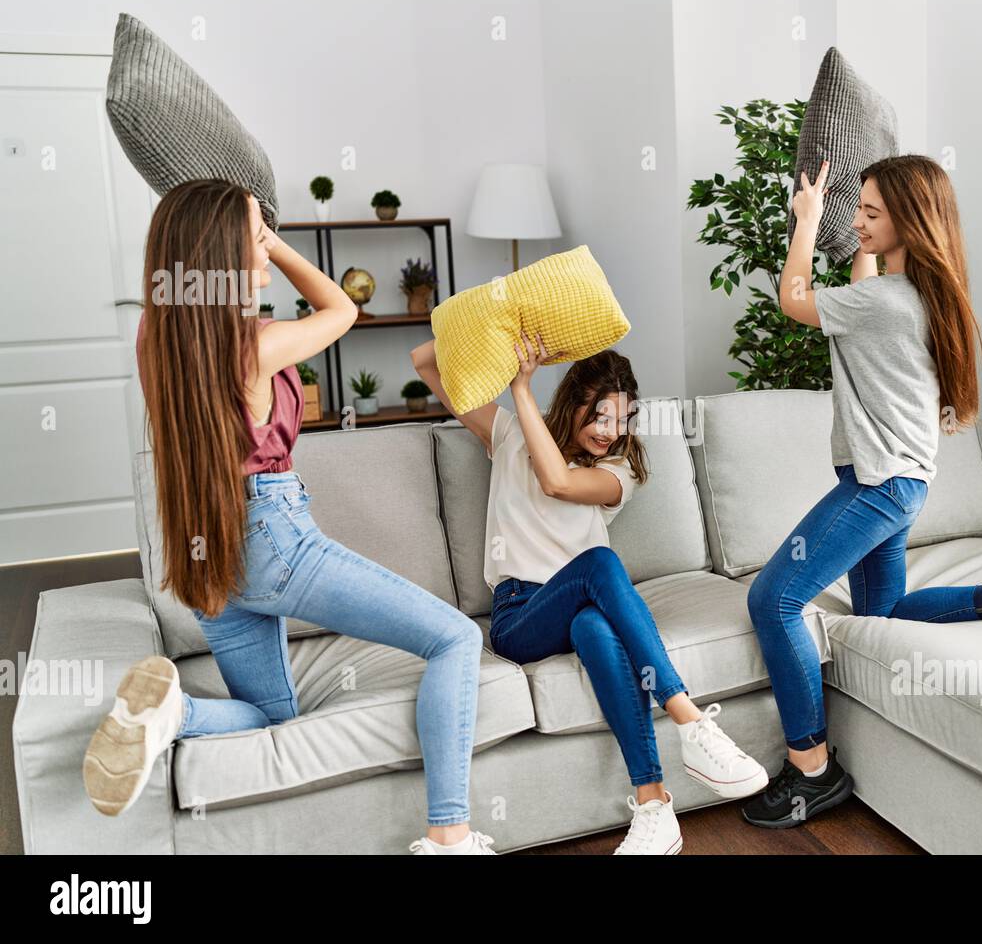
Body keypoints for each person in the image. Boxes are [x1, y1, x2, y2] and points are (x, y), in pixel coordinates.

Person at [83, 179, 496, 855]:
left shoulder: (158, 338)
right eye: (256, 236)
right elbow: (343, 309)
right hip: (273, 537)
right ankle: (449, 834)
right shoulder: (256, 345)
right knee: (455, 638)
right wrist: (281, 248)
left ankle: (172, 714)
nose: (266, 247)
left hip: (209, 553)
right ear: (224, 251)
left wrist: (252, 237)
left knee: (271, 717)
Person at [742, 156, 982, 830]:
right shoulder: (919, 297)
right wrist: (860, 236)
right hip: (902, 482)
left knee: (774, 599)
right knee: (881, 614)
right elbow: (860, 291)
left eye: (871, 213)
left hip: (878, 486)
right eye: (858, 210)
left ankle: (812, 769)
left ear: (909, 222)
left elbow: (794, 298)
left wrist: (808, 221)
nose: (858, 222)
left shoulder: (884, 303)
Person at [411, 334, 769, 854]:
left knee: (595, 626)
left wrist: (522, 388)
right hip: (519, 618)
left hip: (582, 608)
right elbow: (425, 361)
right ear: (572, 402)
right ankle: (689, 720)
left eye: (622, 420)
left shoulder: (617, 471)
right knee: (600, 563)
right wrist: (507, 332)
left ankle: (654, 807)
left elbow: (559, 482)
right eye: (600, 416)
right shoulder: (509, 432)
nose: (610, 431)